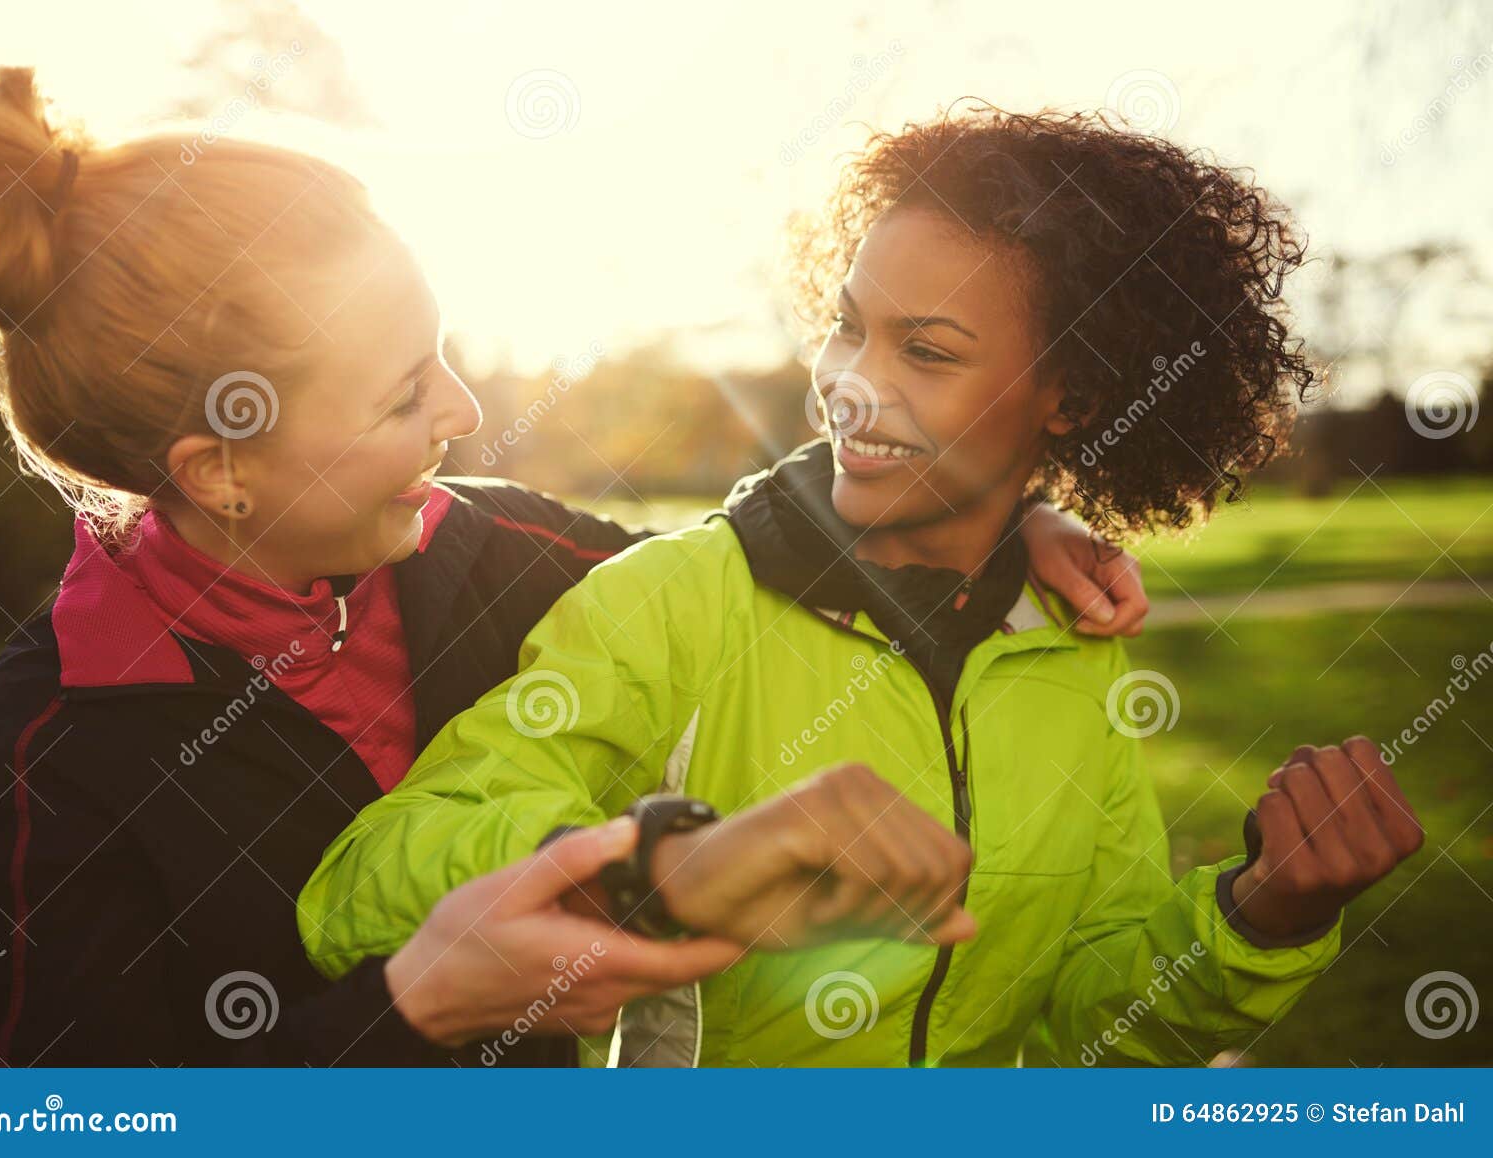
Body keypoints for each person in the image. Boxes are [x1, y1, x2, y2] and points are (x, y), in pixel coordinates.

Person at [0, 71, 1143, 1065]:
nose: (458, 406)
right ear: (221, 468)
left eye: (437, 352)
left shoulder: (506, 549)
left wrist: (987, 522)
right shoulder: (50, 753)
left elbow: (742, 574)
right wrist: (409, 1014)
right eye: (398, 395)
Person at [298, 106, 1425, 1067]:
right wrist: (661, 865)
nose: (850, 386)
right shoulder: (673, 599)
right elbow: (363, 887)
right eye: (847, 328)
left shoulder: (1069, 641)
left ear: (1073, 398)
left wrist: (1263, 915)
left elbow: (1098, 1026)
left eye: (924, 354)